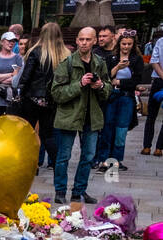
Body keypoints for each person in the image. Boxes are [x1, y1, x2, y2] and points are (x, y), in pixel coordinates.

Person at [51, 26, 110, 205]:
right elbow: (57, 93)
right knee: (63, 156)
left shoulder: (99, 62)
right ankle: (60, 191)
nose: (84, 43)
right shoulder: (66, 63)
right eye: (81, 39)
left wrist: (100, 86)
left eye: (88, 39)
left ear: (94, 41)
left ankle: (79, 191)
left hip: (91, 117)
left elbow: (108, 89)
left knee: (88, 156)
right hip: (69, 116)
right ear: (77, 41)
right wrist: (80, 84)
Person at [95, 30, 145, 170]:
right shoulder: (112, 58)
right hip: (111, 96)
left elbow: (136, 80)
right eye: (124, 44)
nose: (126, 47)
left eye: (129, 44)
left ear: (133, 44)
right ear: (119, 44)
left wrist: (119, 82)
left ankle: (116, 159)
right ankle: (104, 159)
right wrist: (118, 67)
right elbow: (106, 77)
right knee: (107, 128)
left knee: (121, 129)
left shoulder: (136, 59)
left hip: (126, 97)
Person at [18, 22, 64, 171]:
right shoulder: (64, 54)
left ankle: (31, 165)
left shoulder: (36, 52)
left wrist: (20, 93)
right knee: (48, 134)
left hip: (32, 97)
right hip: (51, 100)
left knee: (28, 133)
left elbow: (26, 77)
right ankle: (58, 164)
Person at [145, 29, 163, 156]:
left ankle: (147, 147)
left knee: (151, 115)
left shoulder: (160, 42)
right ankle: (159, 148)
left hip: (158, 79)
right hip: (158, 80)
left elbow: (154, 61)